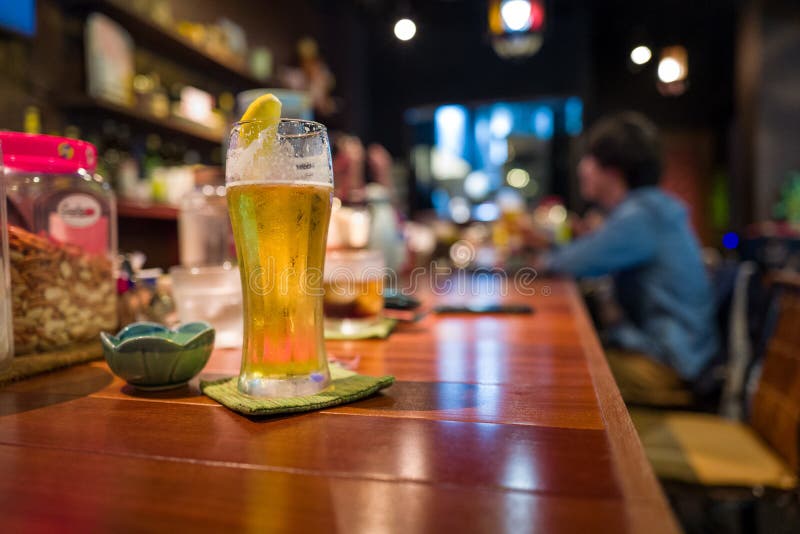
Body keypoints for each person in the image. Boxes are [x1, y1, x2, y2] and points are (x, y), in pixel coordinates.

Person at [534, 112, 718, 406]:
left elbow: (571, 262)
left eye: (590, 158)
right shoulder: (648, 210)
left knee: (555, 370)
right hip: (672, 355)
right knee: (562, 361)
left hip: (669, 365)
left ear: (613, 169)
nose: (582, 168)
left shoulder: (642, 215)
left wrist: (534, 261)